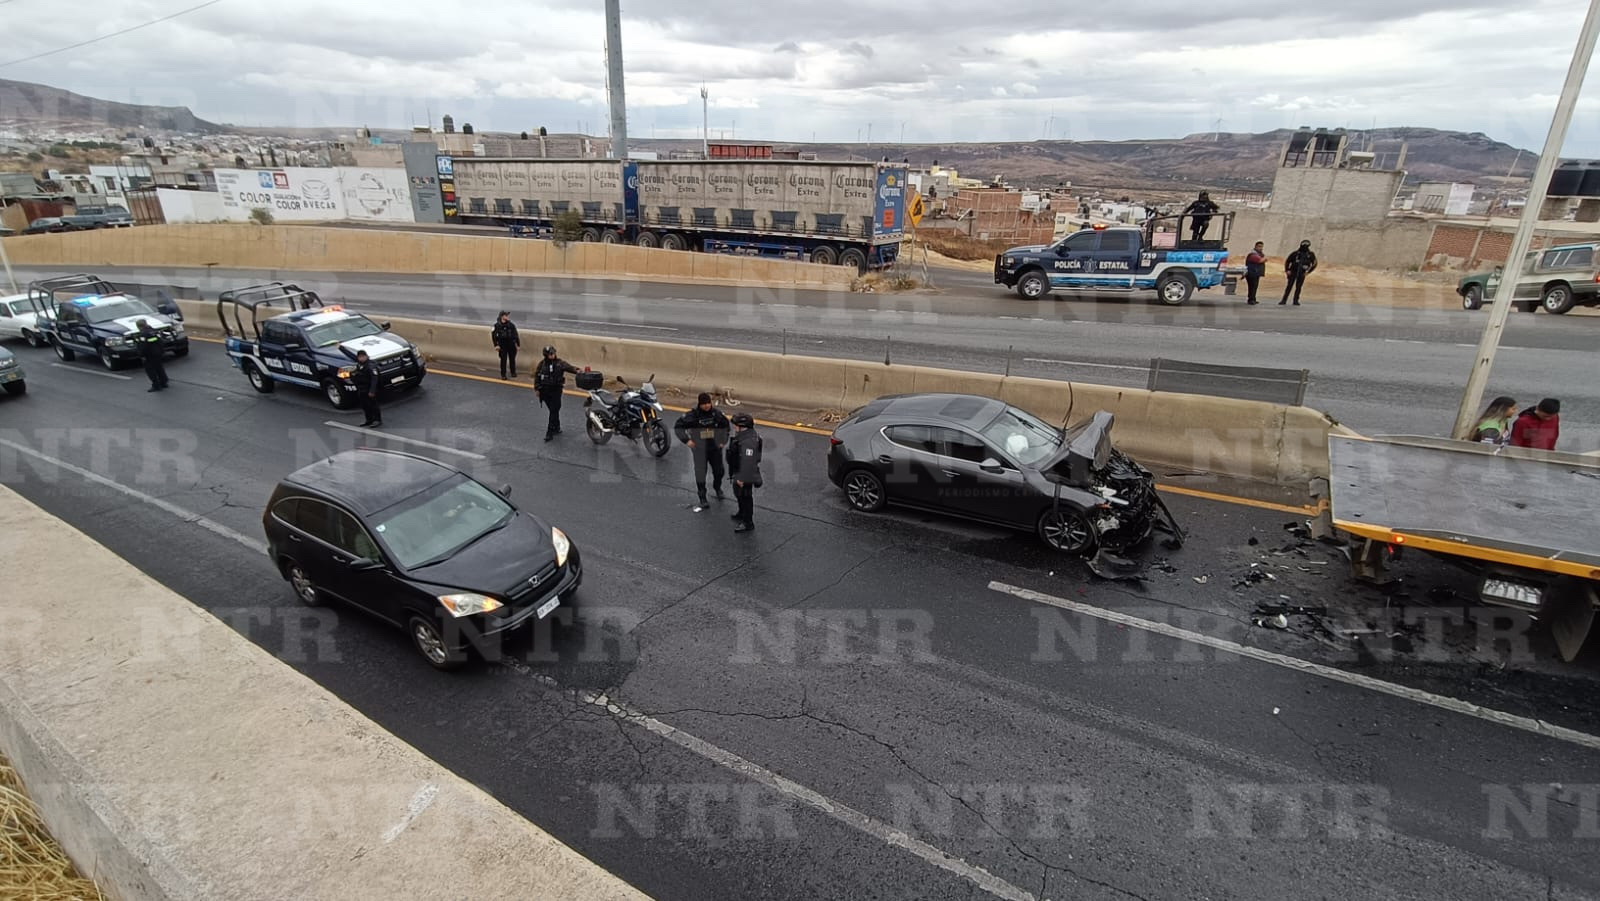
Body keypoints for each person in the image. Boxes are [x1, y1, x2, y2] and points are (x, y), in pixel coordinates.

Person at [674, 392, 731, 508]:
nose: (706, 406)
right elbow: (678, 427)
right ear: (700, 404)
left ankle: (717, 488)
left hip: (714, 448)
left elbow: (725, 426)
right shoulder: (692, 415)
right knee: (700, 474)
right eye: (704, 404)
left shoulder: (716, 414)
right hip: (699, 449)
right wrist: (687, 441)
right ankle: (702, 497)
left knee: (719, 471)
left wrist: (723, 441)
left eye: (708, 403)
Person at [726, 412, 763, 533]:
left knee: (746, 496)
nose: (734, 427)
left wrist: (742, 478)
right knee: (739, 494)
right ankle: (741, 513)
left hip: (745, 473)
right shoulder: (743, 435)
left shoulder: (749, 441)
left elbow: (749, 461)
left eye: (736, 425)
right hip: (739, 470)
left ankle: (748, 522)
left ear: (742, 426)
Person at [534, 345, 579, 442]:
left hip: (556, 390)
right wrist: (537, 389)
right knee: (553, 410)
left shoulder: (560, 363)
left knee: (554, 410)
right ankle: (557, 427)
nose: (553, 355)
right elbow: (537, 377)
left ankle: (549, 432)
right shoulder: (541, 365)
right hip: (545, 391)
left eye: (553, 353)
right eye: (550, 354)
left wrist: (579, 371)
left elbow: (570, 368)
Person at [134, 319, 168, 392]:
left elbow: (143, 346)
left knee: (151, 371)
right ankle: (164, 382)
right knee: (159, 368)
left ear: (139, 326)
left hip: (149, 355)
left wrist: (141, 355)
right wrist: (162, 351)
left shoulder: (143, 334)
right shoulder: (153, 331)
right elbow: (160, 341)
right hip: (158, 353)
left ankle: (156, 385)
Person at [1281, 240, 1317, 306]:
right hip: (1293, 271)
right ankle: (1284, 300)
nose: (1305, 247)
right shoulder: (1295, 253)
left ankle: (1296, 300)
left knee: (1298, 287)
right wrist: (1287, 270)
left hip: (1302, 273)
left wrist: (1308, 272)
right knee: (1289, 286)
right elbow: (1288, 261)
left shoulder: (1310, 254)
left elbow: (1314, 264)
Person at [353, 349, 381, 428]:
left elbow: (374, 379)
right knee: (365, 405)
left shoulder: (370, 366)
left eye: (363, 357)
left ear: (366, 356)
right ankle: (369, 420)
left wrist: (372, 391)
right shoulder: (360, 364)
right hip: (361, 389)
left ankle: (377, 420)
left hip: (368, 388)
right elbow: (350, 356)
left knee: (373, 405)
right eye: (359, 357)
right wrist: (341, 348)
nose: (361, 358)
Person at [491, 311, 521, 380]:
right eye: (506, 315)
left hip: (511, 344)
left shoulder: (511, 325)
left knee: (512, 359)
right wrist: (496, 345)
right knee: (503, 360)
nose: (507, 317)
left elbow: (515, 335)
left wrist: (518, 345)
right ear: (502, 316)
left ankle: (513, 372)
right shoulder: (497, 325)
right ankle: (503, 374)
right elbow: (494, 336)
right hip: (502, 345)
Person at [1244, 241, 1267, 305]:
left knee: (1254, 287)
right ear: (1256, 246)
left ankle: (1253, 298)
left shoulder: (1259, 254)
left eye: (1262, 246)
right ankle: (1251, 299)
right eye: (1259, 246)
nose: (1261, 248)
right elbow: (1260, 260)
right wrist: (1264, 258)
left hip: (1256, 273)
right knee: (1252, 287)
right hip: (1252, 273)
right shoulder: (1253, 254)